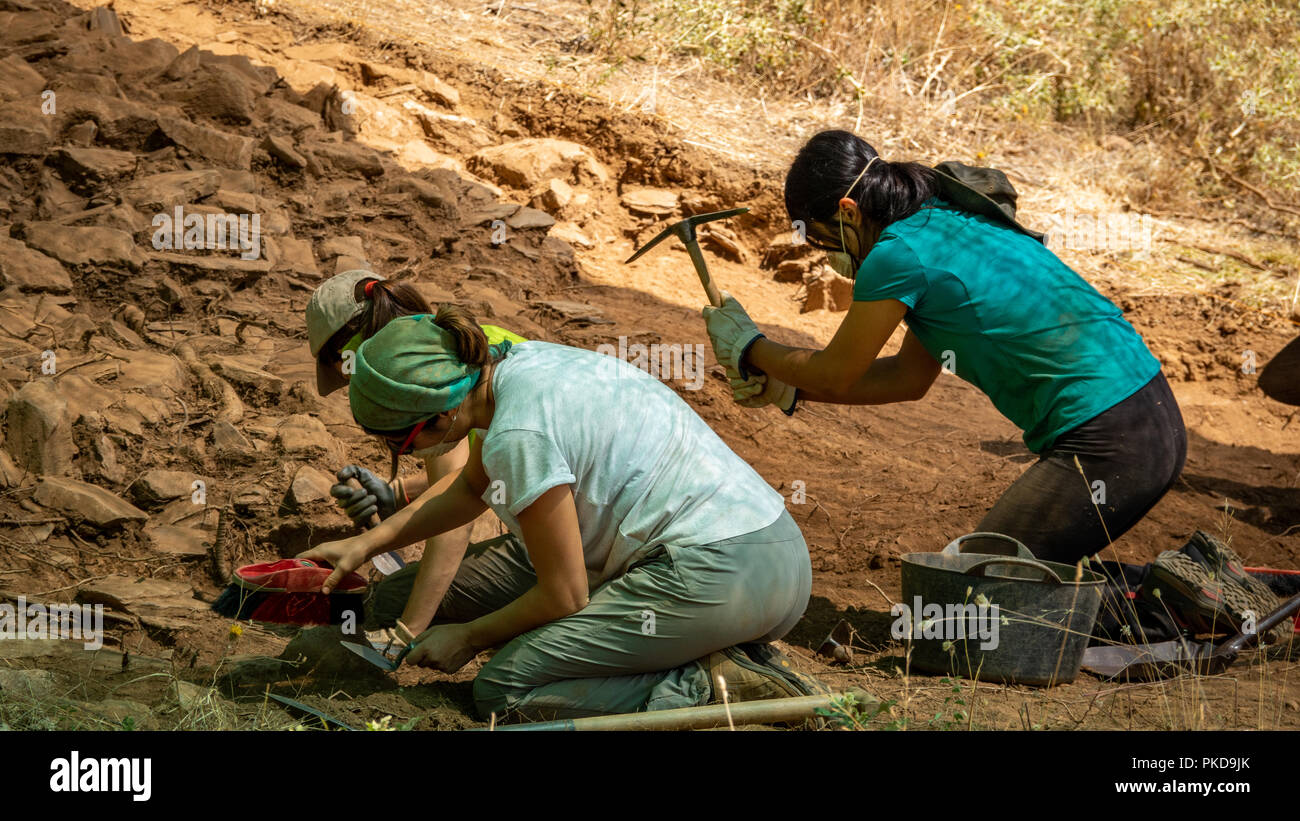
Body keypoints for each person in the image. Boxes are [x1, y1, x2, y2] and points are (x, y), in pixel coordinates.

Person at [298, 309, 820, 720]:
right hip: (759, 554)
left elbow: (565, 594)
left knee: (502, 690)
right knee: (400, 602)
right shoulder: (513, 369)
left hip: (722, 571)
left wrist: (470, 636)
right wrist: (365, 545)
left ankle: (710, 684)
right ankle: (691, 651)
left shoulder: (518, 434)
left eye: (402, 442)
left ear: (440, 415)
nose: (409, 457)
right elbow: (471, 489)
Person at [703, 129, 1186, 567]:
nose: (826, 253)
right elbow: (908, 379)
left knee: (978, 590)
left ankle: (1179, 600)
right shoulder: (941, 221)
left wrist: (751, 347)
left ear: (848, 211)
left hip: (1109, 441)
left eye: (822, 236)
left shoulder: (897, 254)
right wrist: (793, 390)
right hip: (1152, 417)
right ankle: (1175, 597)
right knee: (1019, 580)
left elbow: (835, 370)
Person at [305, 269, 524, 636]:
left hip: (585, 538)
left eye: (347, 376)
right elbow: (476, 472)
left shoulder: (422, 384)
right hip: (581, 512)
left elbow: (457, 519)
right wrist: (398, 493)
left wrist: (408, 630)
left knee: (390, 601)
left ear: (353, 353)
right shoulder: (453, 340)